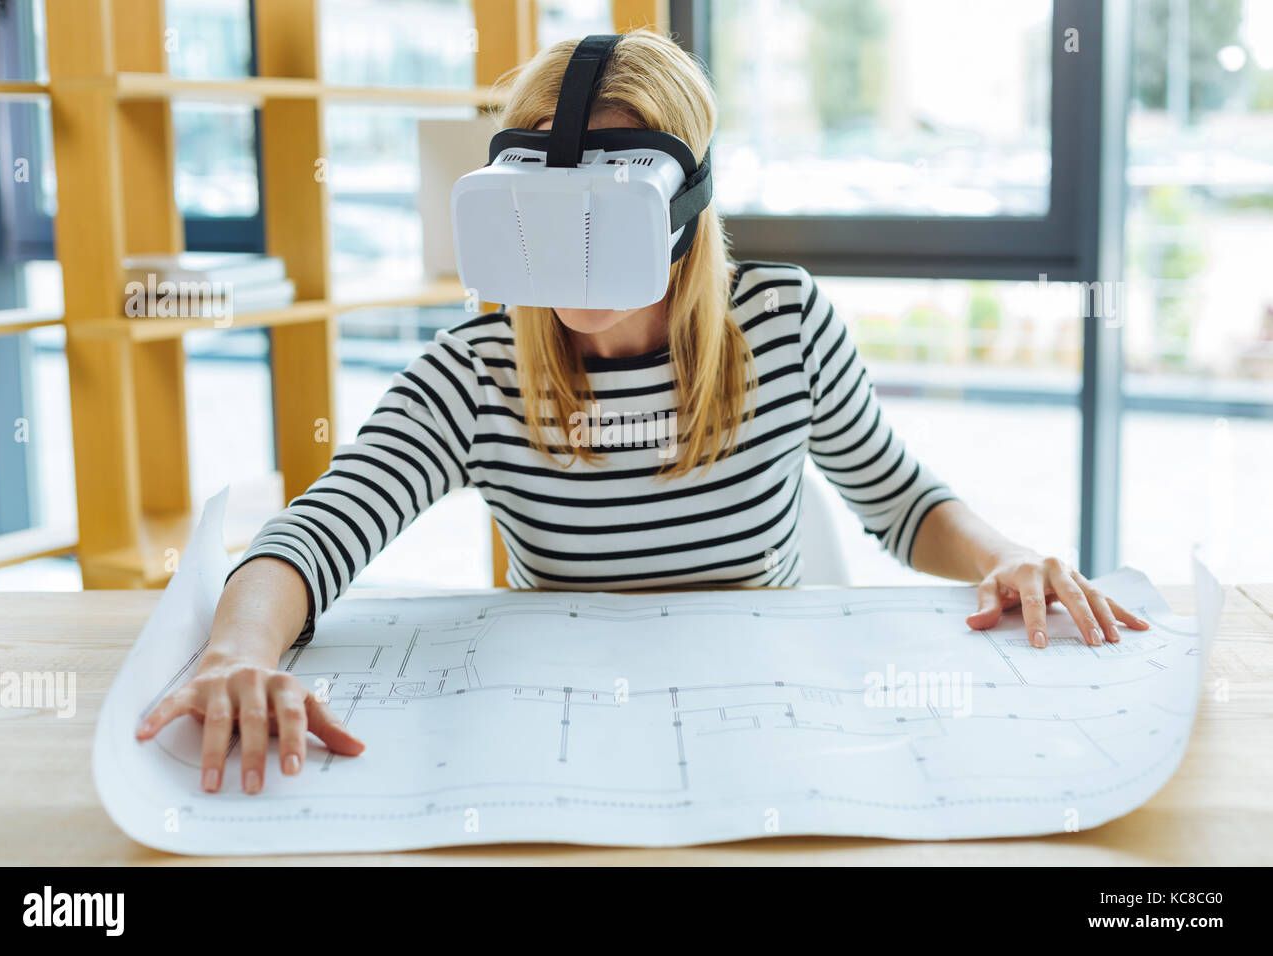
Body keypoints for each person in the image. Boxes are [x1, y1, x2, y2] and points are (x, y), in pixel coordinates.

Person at [137, 30, 1149, 795]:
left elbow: (899, 500)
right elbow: (315, 533)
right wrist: (240, 651)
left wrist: (1005, 556)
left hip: (771, 737)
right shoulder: (478, 372)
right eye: (544, 209)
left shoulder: (782, 321)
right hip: (573, 741)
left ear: (683, 205)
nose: (572, 252)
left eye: (606, 211)